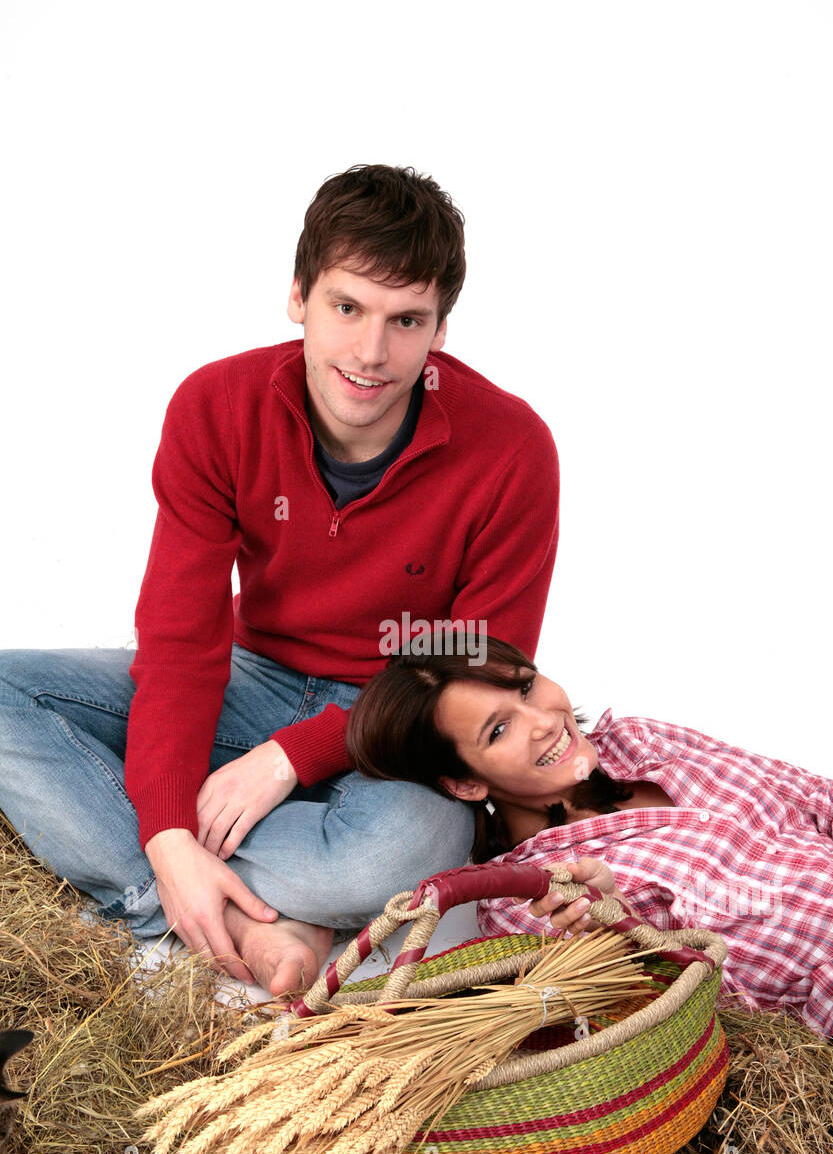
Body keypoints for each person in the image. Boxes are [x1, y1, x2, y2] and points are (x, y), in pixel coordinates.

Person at [0, 167, 559, 997]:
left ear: (441, 329)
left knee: (398, 850)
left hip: (404, 720)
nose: (371, 354)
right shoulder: (215, 406)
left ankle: (210, 891)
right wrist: (164, 836)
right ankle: (208, 903)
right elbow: (182, 637)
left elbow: (479, 676)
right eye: (347, 308)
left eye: (406, 320)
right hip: (249, 679)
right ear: (298, 295)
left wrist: (291, 760)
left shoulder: (513, 449)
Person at [347, 636, 833, 1058]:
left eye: (526, 689)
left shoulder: (638, 740)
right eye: (500, 729)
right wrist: (617, 921)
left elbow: (832, 798)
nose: (545, 722)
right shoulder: (525, 900)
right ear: (465, 784)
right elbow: (695, 1020)